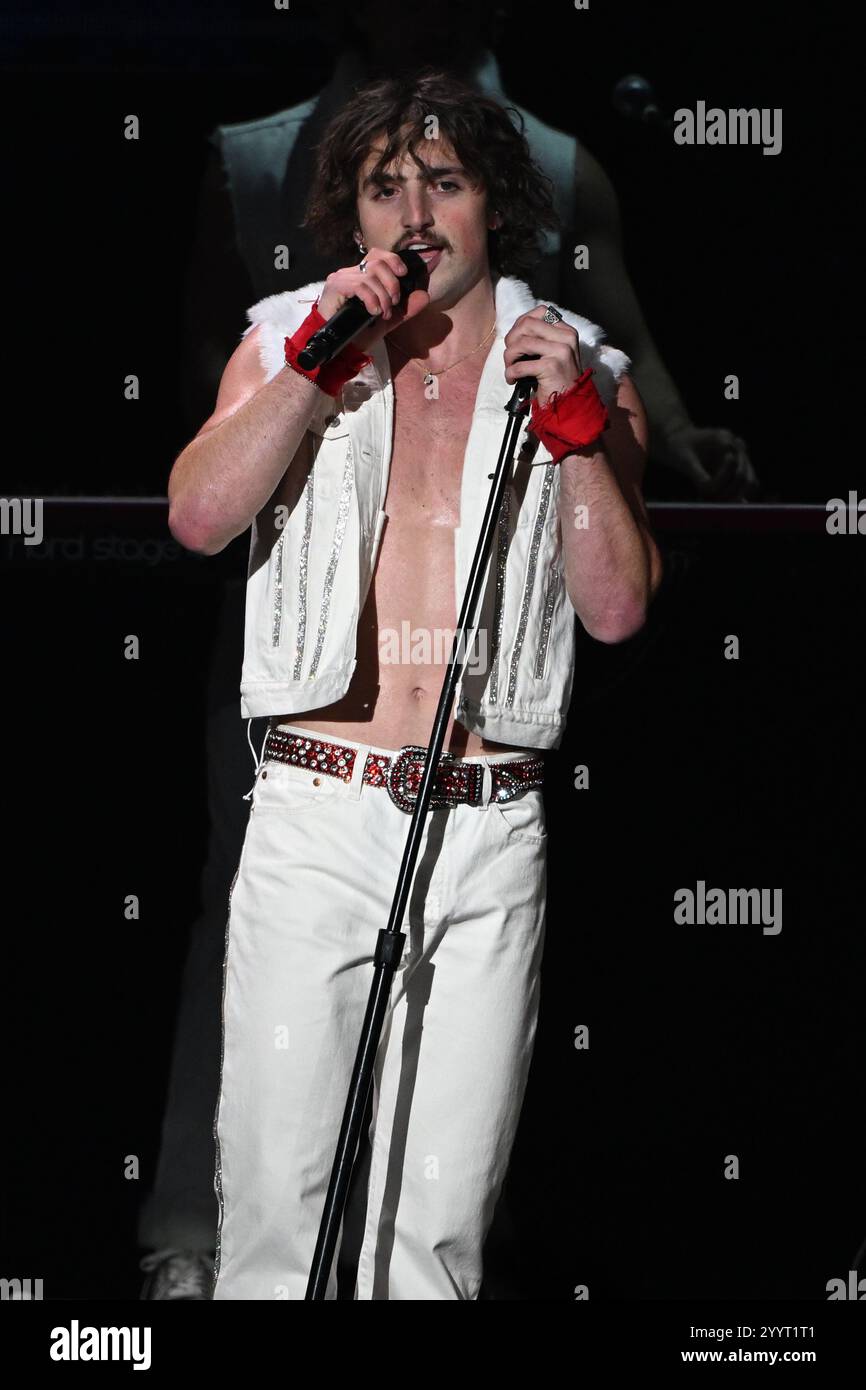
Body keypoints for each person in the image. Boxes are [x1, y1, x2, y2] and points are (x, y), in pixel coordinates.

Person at [166, 68, 663, 1300]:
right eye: (383, 188)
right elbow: (197, 516)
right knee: (279, 1215)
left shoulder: (578, 364)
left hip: (486, 828)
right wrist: (311, 367)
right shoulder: (291, 334)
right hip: (318, 813)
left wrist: (580, 431)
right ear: (352, 214)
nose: (412, 212)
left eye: (441, 181)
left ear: (497, 203)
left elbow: (615, 606)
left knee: (432, 1227)